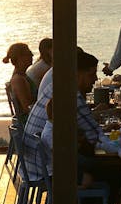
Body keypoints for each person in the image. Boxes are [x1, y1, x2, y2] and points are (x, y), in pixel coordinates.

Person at [25, 47, 107, 189]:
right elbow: (95, 137)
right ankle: (100, 202)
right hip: (48, 171)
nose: (95, 79)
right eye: (91, 74)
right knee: (108, 167)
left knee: (93, 160)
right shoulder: (72, 95)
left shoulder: (56, 85)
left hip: (34, 165)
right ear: (77, 74)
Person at [3, 42, 36, 125]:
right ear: (20, 58)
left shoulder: (22, 76)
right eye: (28, 53)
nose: (32, 55)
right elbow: (27, 108)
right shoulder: (18, 80)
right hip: (30, 123)